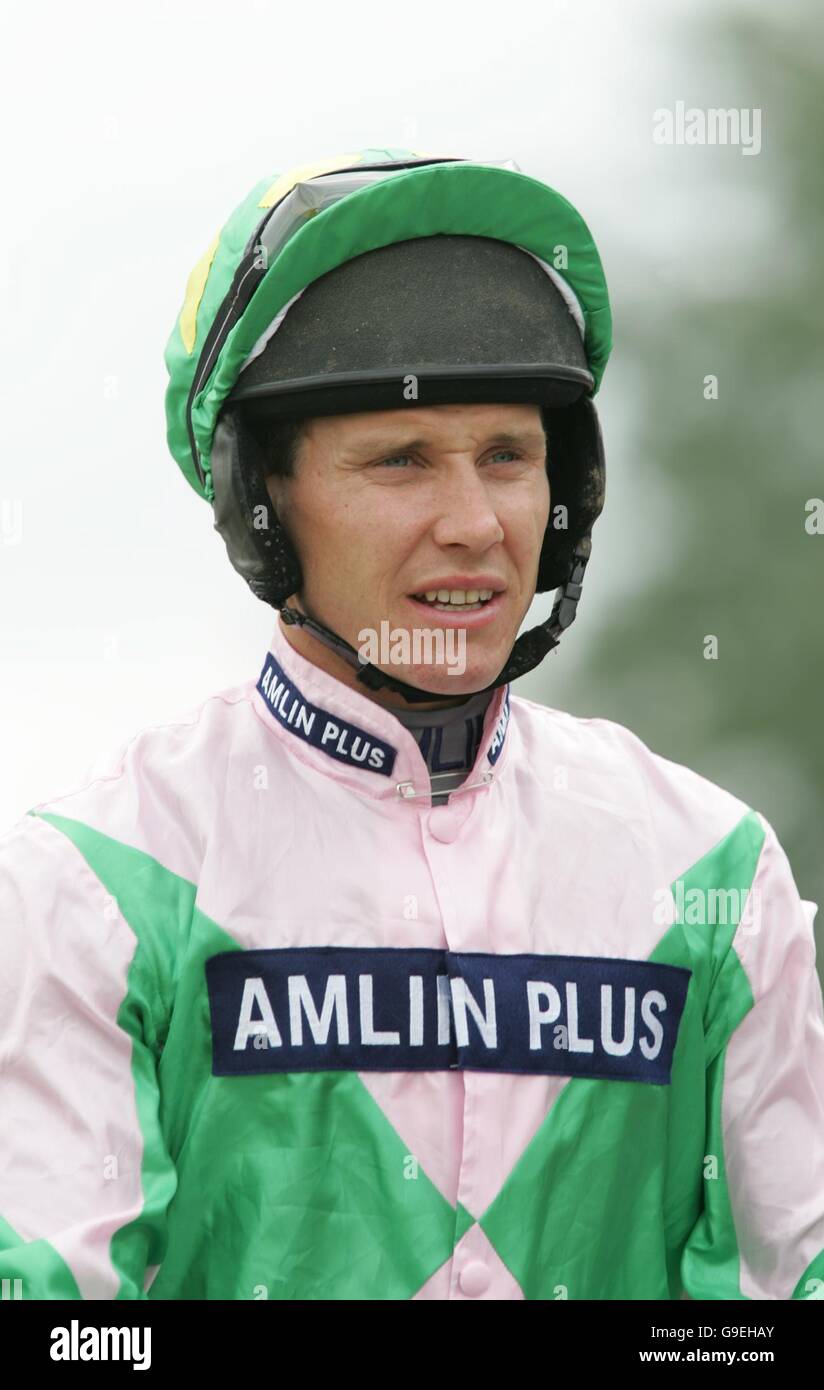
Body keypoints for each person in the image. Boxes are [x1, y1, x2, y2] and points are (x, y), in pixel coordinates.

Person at [1, 147, 822, 1302]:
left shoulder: (714, 872)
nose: (474, 523)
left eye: (507, 456)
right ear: (261, 505)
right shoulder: (95, 879)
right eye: (400, 462)